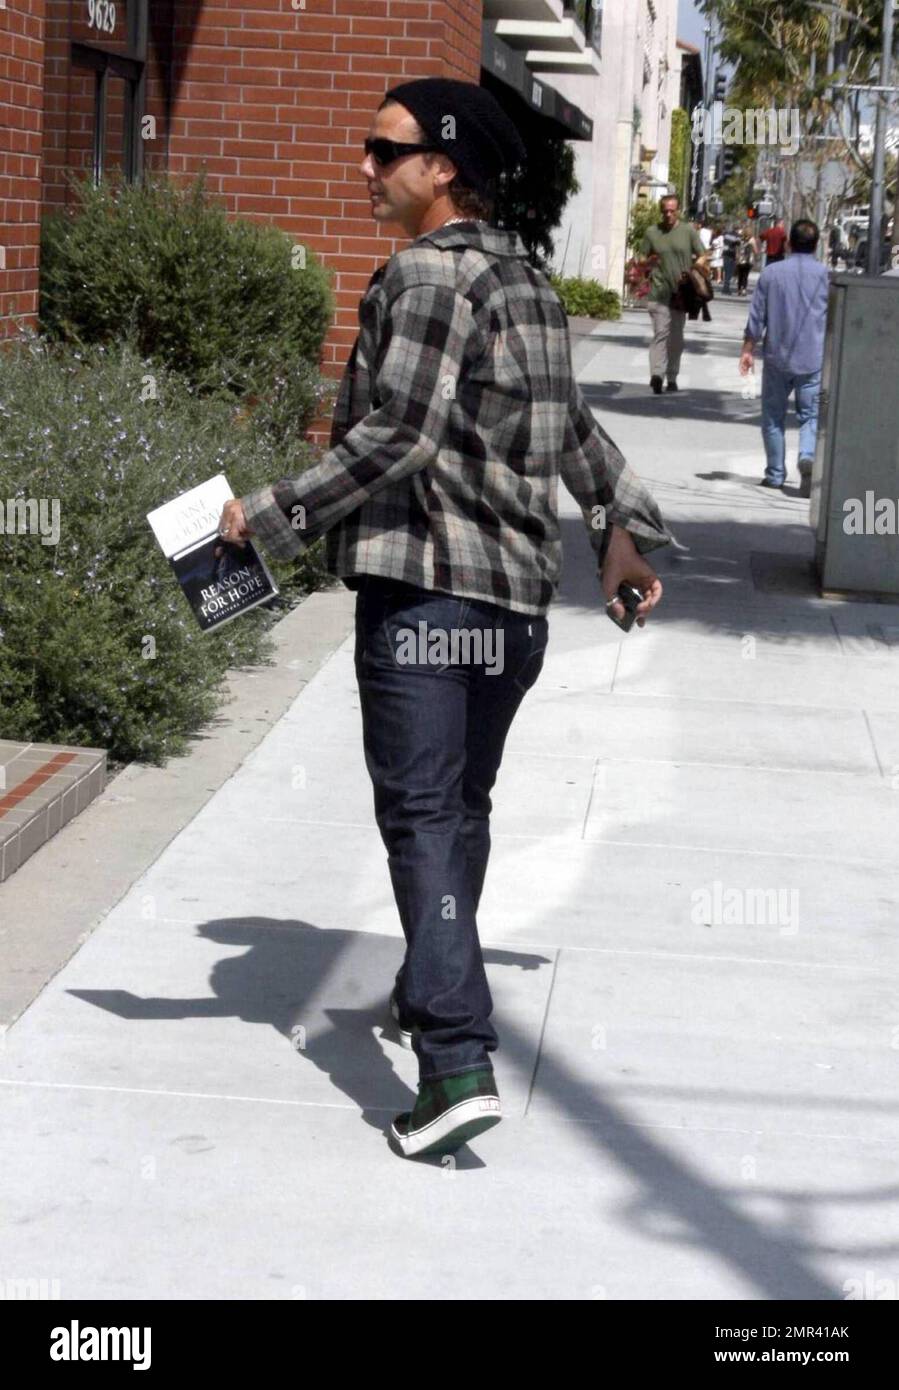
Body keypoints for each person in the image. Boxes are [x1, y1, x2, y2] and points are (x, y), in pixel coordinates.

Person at [216, 78, 671, 1159]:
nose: (363, 168)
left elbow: (401, 436)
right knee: (456, 812)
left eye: (384, 152)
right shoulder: (524, 277)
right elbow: (570, 427)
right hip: (510, 610)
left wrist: (269, 515)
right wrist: (617, 526)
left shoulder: (422, 276)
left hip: (423, 592)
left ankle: (455, 1059)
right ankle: (437, 994)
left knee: (421, 818)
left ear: (443, 168)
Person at [739, 218, 829, 495]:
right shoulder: (826, 276)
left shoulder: (771, 274)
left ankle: (775, 474)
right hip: (813, 358)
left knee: (773, 417)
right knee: (810, 416)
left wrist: (748, 348)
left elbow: (757, 315)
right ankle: (807, 456)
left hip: (777, 356)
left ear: (789, 243)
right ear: (817, 245)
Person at [640, 192, 710, 393]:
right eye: (665, 211)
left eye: (672, 210)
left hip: (680, 293)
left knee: (676, 338)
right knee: (660, 334)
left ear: (678, 211)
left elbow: (703, 254)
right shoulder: (652, 232)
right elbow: (641, 258)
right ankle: (656, 375)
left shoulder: (688, 231)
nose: (668, 214)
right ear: (661, 211)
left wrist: (695, 267)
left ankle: (672, 376)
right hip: (658, 291)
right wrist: (647, 265)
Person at [736, 224, 757, 296]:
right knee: (745, 275)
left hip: (740, 259)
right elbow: (755, 250)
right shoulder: (752, 240)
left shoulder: (740, 239)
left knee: (740, 275)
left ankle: (739, 289)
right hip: (748, 260)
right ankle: (744, 289)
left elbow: (737, 249)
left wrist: (737, 257)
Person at [722, 224, 741, 294]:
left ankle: (725, 287)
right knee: (730, 272)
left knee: (726, 271)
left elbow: (724, 242)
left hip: (725, 253)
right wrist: (738, 256)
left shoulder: (726, 234)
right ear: (738, 229)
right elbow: (737, 246)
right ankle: (726, 288)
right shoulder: (737, 236)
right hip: (732, 255)